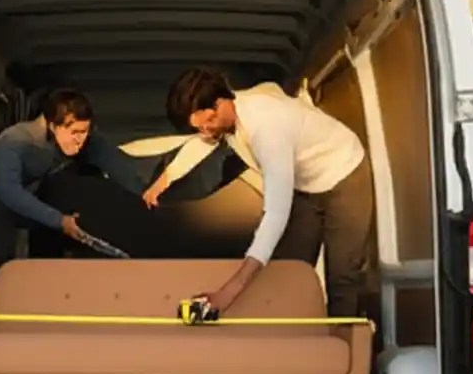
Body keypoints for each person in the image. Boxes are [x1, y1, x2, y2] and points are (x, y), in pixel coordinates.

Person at [147, 68, 373, 317]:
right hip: (306, 183)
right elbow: (202, 144)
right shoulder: (227, 114)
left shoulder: (267, 128)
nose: (207, 130)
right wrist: (165, 179)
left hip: (343, 172)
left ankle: (341, 347)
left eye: (209, 122)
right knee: (291, 267)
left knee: (342, 274)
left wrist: (227, 293)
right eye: (200, 127)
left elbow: (276, 214)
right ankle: (293, 335)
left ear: (221, 102)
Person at [0, 88, 146, 279]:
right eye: (75, 132)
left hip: (44, 219)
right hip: (0, 218)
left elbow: (117, 165)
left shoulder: (82, 140)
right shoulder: (15, 143)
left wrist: (144, 197)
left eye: (84, 132)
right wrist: (59, 220)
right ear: (53, 126)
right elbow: (7, 191)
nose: (80, 140)